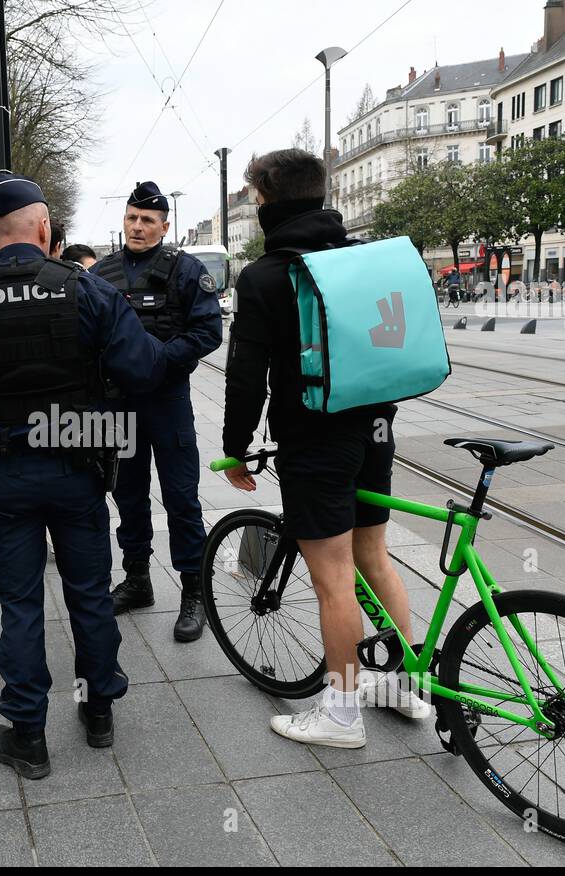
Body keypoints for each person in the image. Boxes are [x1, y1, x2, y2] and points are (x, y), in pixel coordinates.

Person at [0, 172, 166, 780]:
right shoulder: (86, 290)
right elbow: (143, 369)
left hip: (8, 473)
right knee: (89, 594)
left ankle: (28, 735)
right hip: (78, 467)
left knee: (20, 603)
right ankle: (98, 708)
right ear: (45, 228)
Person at [221, 149, 432, 750]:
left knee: (333, 577)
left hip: (315, 441)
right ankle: (398, 679)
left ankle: (341, 713)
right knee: (373, 557)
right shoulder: (359, 258)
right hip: (377, 431)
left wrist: (237, 447)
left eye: (257, 198)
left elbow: (245, 375)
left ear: (268, 202)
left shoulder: (266, 275)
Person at [91, 181, 223, 643]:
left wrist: (159, 360)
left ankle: (194, 593)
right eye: (132, 218)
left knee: (182, 498)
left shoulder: (186, 271)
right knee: (127, 495)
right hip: (119, 405)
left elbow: (208, 331)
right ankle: (138, 579)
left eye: (148, 220)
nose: (138, 226)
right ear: (123, 220)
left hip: (167, 401)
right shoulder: (101, 273)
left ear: (165, 226)